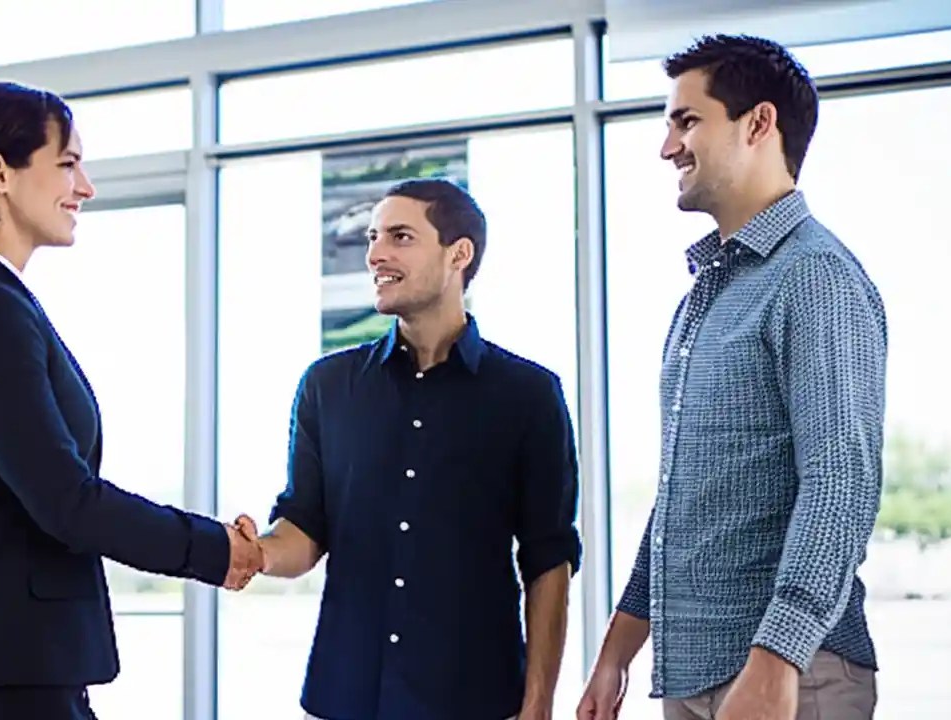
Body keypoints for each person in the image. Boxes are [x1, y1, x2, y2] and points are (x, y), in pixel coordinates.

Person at [0, 81, 263, 719]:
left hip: (7, 664)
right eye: (68, 164)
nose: (85, 188)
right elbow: (67, 502)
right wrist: (214, 549)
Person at [576, 34, 886, 720]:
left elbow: (841, 484)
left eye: (687, 121)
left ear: (758, 124)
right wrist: (615, 654)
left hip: (788, 676)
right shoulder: (702, 300)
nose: (667, 147)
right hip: (693, 676)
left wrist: (778, 660)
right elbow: (682, 500)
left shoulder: (814, 278)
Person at [233, 178, 583, 720]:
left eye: (400, 236)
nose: (376, 254)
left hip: (476, 700)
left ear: (458, 254)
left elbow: (548, 560)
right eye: (373, 237)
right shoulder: (327, 386)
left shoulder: (529, 395)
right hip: (344, 698)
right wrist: (255, 553)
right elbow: (305, 529)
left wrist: (537, 706)